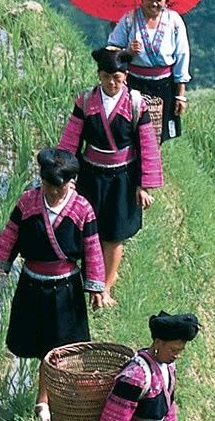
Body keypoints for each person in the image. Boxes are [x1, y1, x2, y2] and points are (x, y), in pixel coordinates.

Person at [0, 149, 105, 421]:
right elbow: (9, 235)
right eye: (48, 185)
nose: (52, 192)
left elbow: (92, 249)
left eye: (58, 187)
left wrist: (96, 287)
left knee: (60, 347)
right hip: (32, 284)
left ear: (71, 182)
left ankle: (44, 400)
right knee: (40, 343)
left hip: (65, 287)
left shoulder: (82, 209)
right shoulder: (28, 202)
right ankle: (46, 398)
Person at [59, 47, 163, 305]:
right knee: (88, 230)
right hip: (91, 175)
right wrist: (66, 178)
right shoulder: (86, 101)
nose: (112, 82)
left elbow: (147, 145)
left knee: (114, 235)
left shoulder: (136, 104)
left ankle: (106, 286)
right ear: (99, 75)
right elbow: (72, 140)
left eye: (118, 77)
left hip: (123, 179)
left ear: (125, 76)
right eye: (107, 77)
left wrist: (143, 186)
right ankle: (88, 281)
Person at [106, 0, 191, 141]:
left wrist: (180, 95)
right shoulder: (129, 20)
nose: (154, 4)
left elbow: (182, 55)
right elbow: (111, 48)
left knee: (157, 134)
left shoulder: (174, 21)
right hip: (134, 84)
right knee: (131, 131)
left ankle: (152, 164)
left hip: (164, 85)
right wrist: (128, 52)